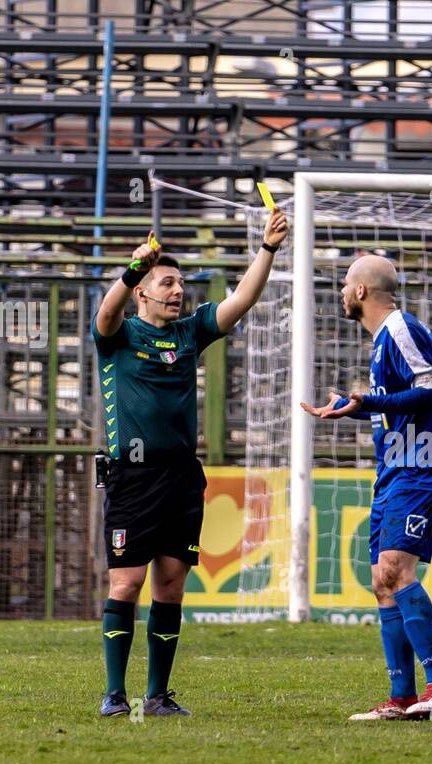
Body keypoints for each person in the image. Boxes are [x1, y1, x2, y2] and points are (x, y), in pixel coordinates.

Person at [91, 211, 288, 716]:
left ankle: (156, 695)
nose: (178, 290)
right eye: (168, 282)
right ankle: (115, 695)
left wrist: (266, 249)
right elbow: (104, 315)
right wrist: (134, 267)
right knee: (126, 583)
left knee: (171, 585)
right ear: (143, 292)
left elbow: (241, 301)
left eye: (181, 283)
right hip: (132, 477)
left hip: (180, 478)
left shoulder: (188, 334)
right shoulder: (119, 336)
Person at [302, 254, 432, 720]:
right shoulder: (381, 340)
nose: (341, 293)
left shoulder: (400, 329)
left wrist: (368, 400)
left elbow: (429, 391)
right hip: (394, 468)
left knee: (396, 571)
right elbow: (394, 405)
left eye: (344, 285)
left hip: (420, 466)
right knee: (381, 582)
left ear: (361, 292)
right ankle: (401, 697)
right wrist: (355, 409)